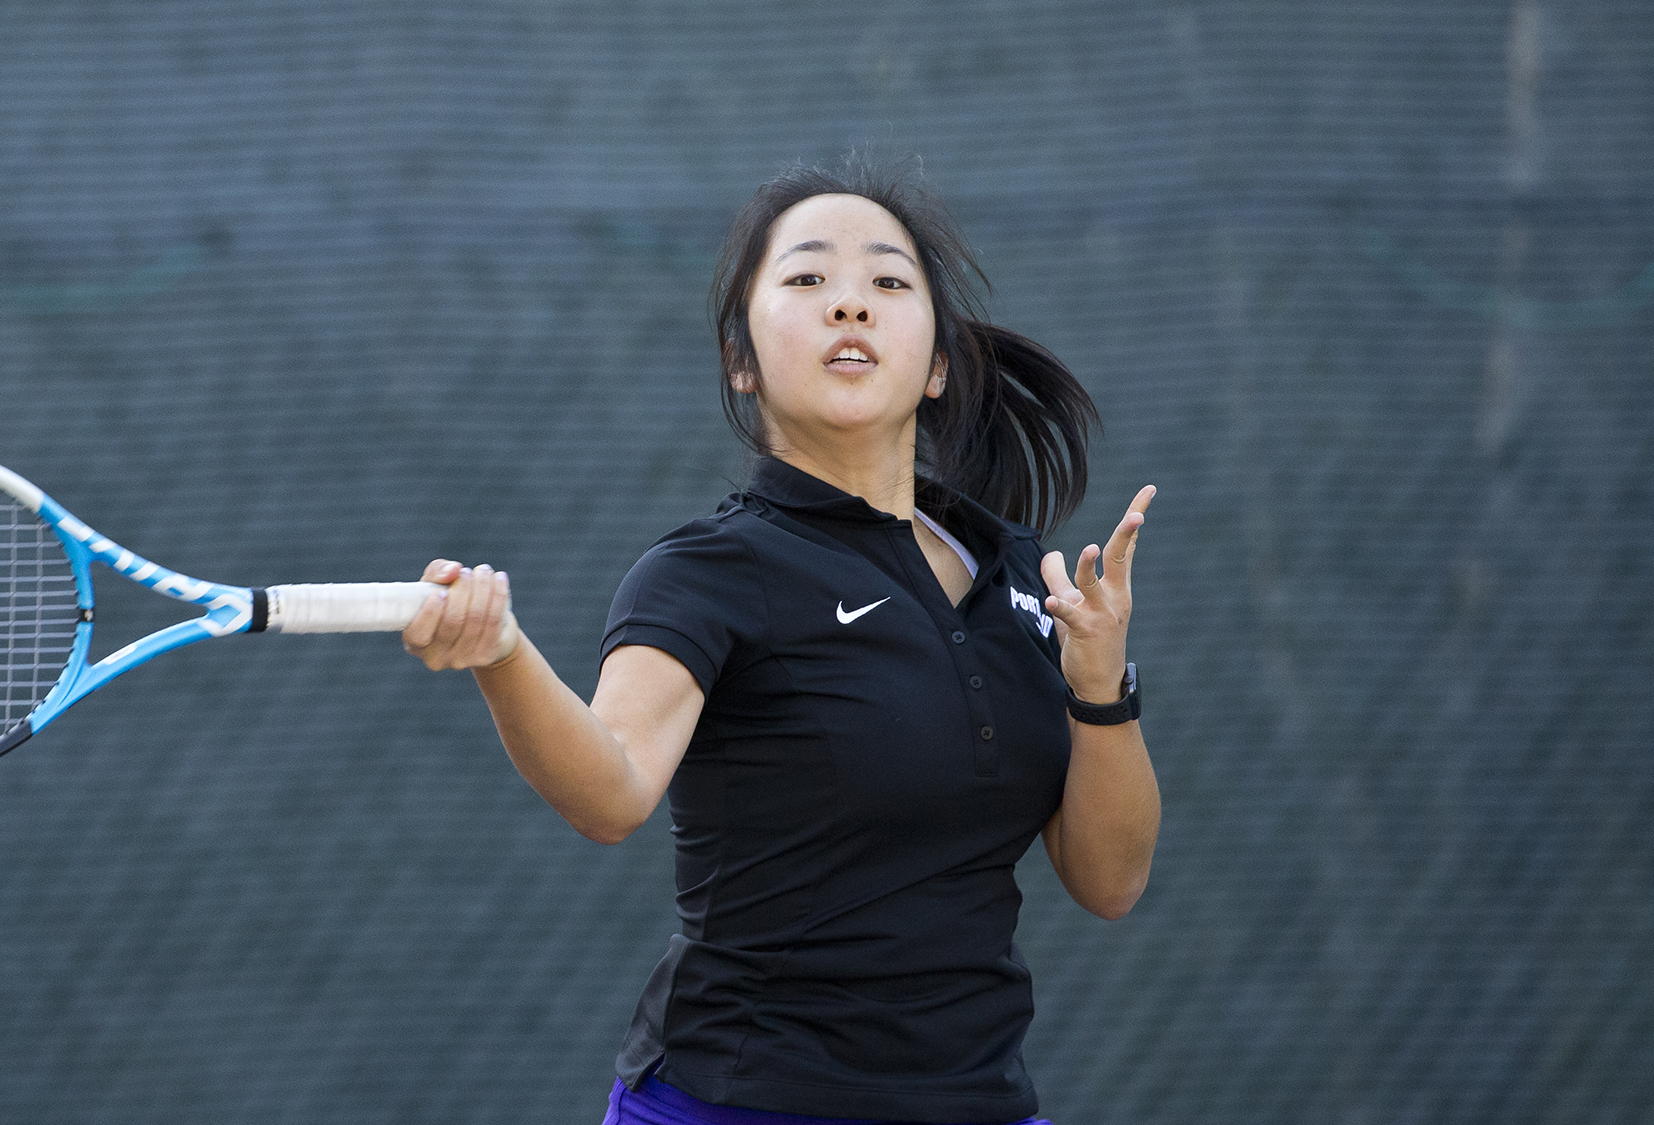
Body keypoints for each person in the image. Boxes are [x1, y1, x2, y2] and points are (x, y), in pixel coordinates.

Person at [400, 154, 1160, 1125]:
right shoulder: (705, 575)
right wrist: (501, 653)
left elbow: (1108, 882)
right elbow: (610, 789)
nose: (850, 304)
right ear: (741, 360)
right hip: (734, 1103)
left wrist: (1100, 690)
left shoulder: (1019, 575)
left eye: (887, 283)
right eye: (806, 280)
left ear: (934, 364)